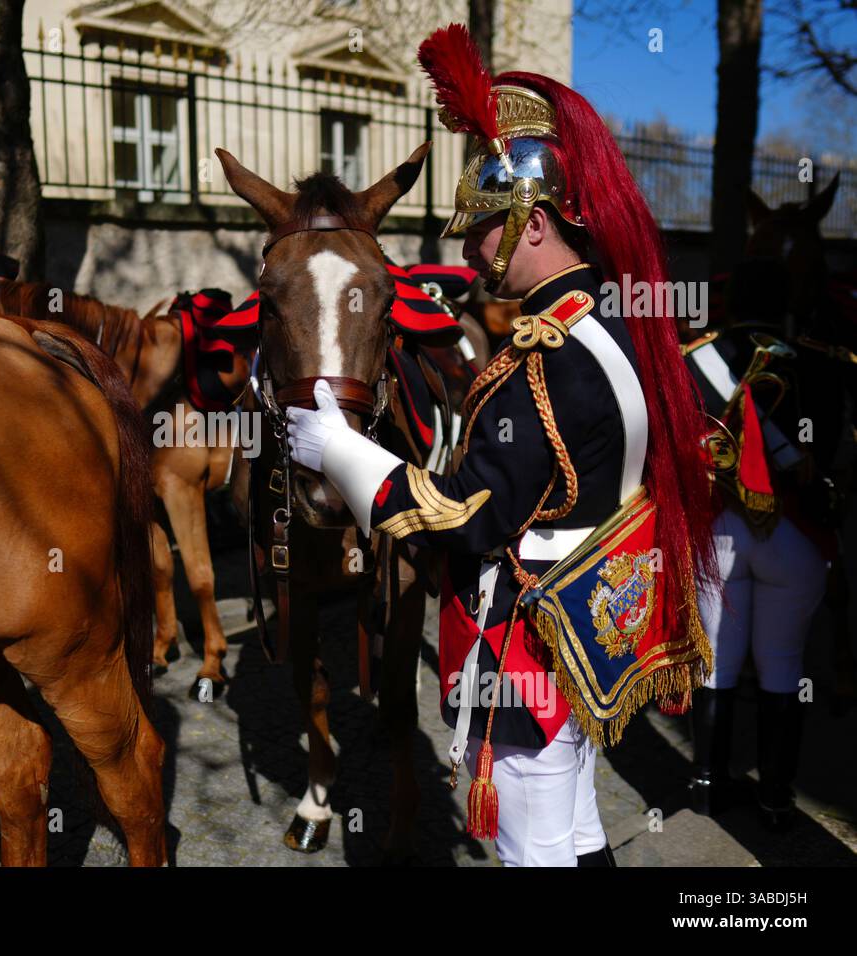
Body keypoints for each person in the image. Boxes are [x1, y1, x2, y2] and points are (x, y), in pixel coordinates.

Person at [285, 23, 718, 866]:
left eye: (484, 225)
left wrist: (336, 446)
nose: (469, 246)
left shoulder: (543, 361)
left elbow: (464, 516)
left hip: (533, 640)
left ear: (533, 219)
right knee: (579, 829)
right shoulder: (617, 327)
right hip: (596, 625)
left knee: (536, 847)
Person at [682, 264, 831, 829]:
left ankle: (706, 786)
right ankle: (774, 792)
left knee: (715, 661)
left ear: (727, 301)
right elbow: (833, 453)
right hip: (793, 533)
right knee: (784, 664)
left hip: (717, 527)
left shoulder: (693, 358)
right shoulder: (818, 360)